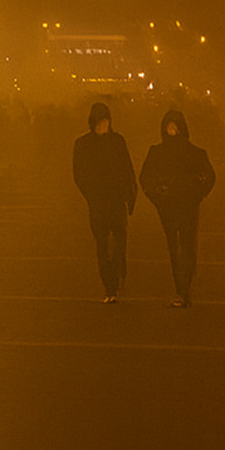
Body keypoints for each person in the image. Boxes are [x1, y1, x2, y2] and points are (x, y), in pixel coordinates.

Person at [139, 109, 216, 308]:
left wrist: (197, 195)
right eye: (169, 126)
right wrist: (157, 197)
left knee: (187, 247)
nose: (172, 130)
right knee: (174, 248)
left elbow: (209, 177)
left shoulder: (194, 153)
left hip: (187, 206)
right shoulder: (158, 152)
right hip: (168, 207)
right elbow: (145, 178)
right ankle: (181, 288)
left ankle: (185, 288)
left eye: (175, 126)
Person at [72, 103, 136, 303]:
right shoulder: (83, 144)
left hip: (116, 200)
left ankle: (116, 275)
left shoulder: (117, 141)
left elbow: (128, 169)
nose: (103, 125)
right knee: (101, 244)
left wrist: (130, 196)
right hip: (98, 202)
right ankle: (108, 285)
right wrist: (90, 195)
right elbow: (79, 174)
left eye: (106, 121)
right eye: (100, 122)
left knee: (118, 243)